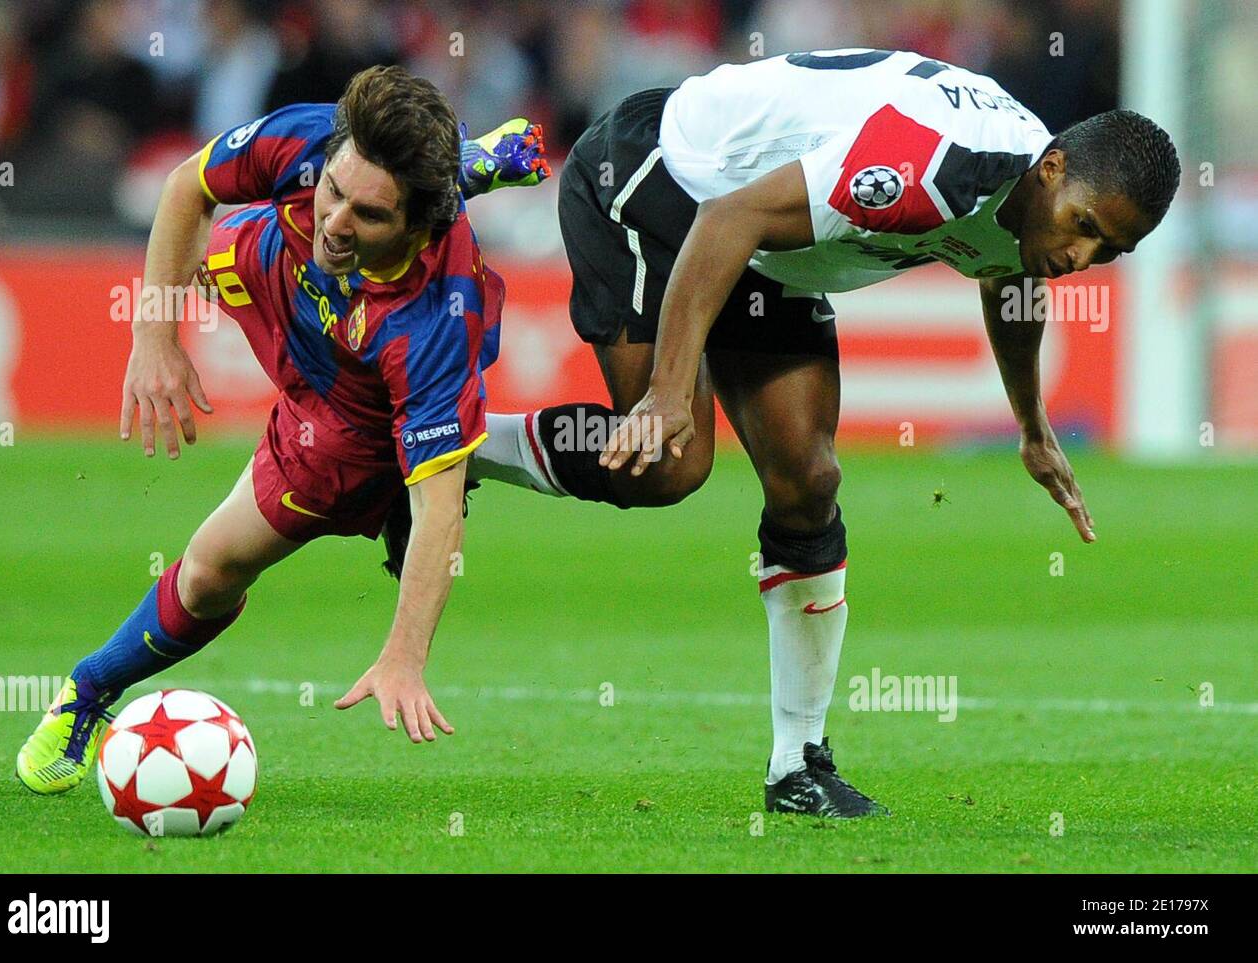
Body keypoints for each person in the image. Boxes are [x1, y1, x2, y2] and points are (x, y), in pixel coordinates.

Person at [460, 49, 1181, 817]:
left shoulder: (1037, 196)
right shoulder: (931, 164)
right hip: (661, 181)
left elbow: (1011, 277)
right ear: (1052, 168)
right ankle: (460, 450)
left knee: (809, 482)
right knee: (668, 464)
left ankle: (795, 763)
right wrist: (672, 390)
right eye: (1086, 229)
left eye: (1110, 250)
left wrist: (1033, 428)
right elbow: (728, 214)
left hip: (772, 251)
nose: (1082, 258)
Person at [16, 65, 548, 795]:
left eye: (367, 213)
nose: (335, 220)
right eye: (334, 190)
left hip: (346, 416)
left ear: (414, 225)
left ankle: (86, 684)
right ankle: (469, 163)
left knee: (208, 572)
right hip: (275, 266)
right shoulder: (310, 140)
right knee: (199, 249)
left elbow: (441, 510)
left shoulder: (433, 325)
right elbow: (185, 188)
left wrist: (403, 654)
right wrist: (156, 338)